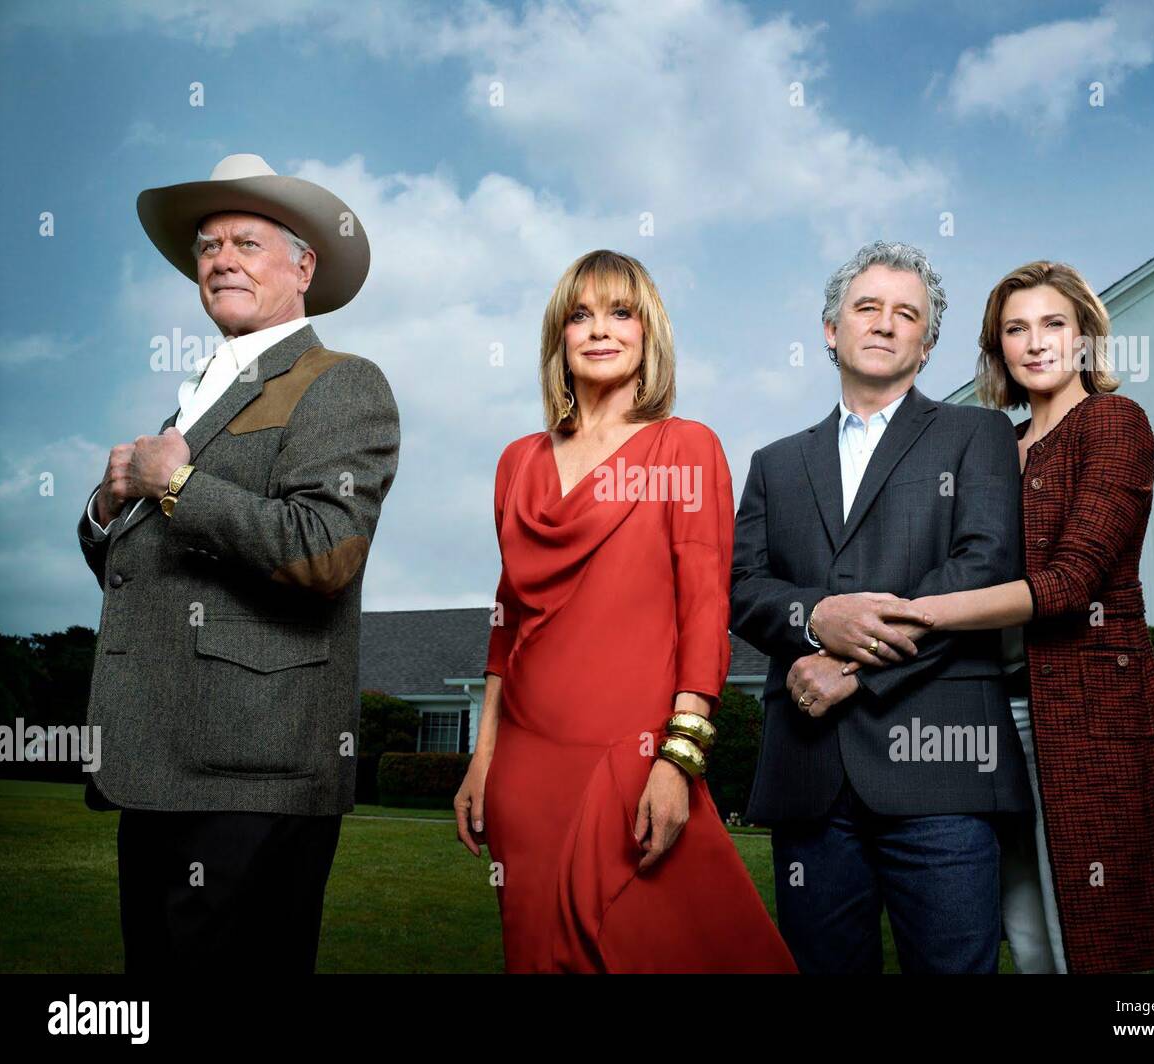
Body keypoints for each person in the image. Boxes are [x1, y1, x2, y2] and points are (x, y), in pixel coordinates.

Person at [75, 153, 400, 972]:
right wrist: (108, 508)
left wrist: (176, 483)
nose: (220, 257)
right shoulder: (201, 393)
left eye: (246, 243)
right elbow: (142, 571)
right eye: (208, 246)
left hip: (254, 768)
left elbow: (323, 550)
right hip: (159, 761)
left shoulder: (341, 383)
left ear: (303, 266)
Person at [847, 261, 1154, 974]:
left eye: (1053, 324)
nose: (1035, 342)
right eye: (1016, 328)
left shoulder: (1113, 423)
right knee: (1024, 929)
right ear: (996, 347)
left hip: (1085, 707)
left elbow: (1070, 583)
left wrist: (912, 614)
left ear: (1084, 337)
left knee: (1094, 931)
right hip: (981, 708)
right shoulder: (988, 443)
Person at [454, 249, 797, 973]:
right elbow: (506, 623)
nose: (599, 330)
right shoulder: (517, 461)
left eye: (620, 312)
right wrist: (483, 758)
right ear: (560, 337)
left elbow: (706, 611)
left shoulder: (688, 446)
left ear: (649, 333)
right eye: (580, 315)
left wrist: (678, 759)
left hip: (636, 760)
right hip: (524, 768)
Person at [730, 240, 1032, 975]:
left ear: (926, 346)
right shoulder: (775, 462)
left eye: (908, 315)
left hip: (944, 770)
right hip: (811, 777)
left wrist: (849, 661)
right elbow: (743, 588)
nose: (885, 324)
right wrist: (813, 620)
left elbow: (982, 566)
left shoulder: (979, 434)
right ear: (831, 329)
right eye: (868, 307)